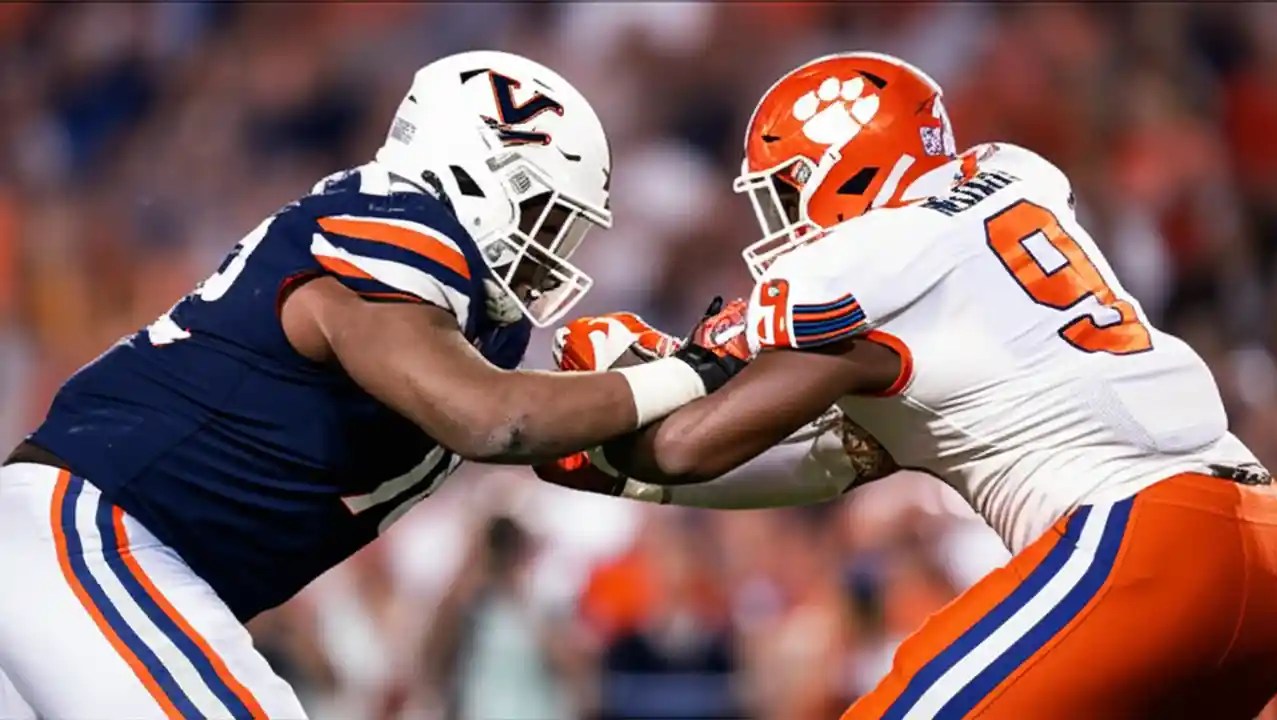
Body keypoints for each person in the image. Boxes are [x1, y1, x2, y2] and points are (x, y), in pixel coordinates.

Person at [0, 50, 744, 719]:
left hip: (91, 551)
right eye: (545, 218)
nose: (551, 254)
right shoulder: (391, 227)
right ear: (477, 177)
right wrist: (690, 371)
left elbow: (542, 437)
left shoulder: (461, 317)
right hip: (92, 533)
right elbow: (496, 420)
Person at [544, 52, 1277, 719]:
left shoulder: (878, 265)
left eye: (790, 192)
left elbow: (684, 449)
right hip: (1256, 530)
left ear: (850, 169)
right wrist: (632, 476)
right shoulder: (1004, 194)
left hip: (1142, 545)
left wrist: (638, 398)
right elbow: (829, 460)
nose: (789, 223)